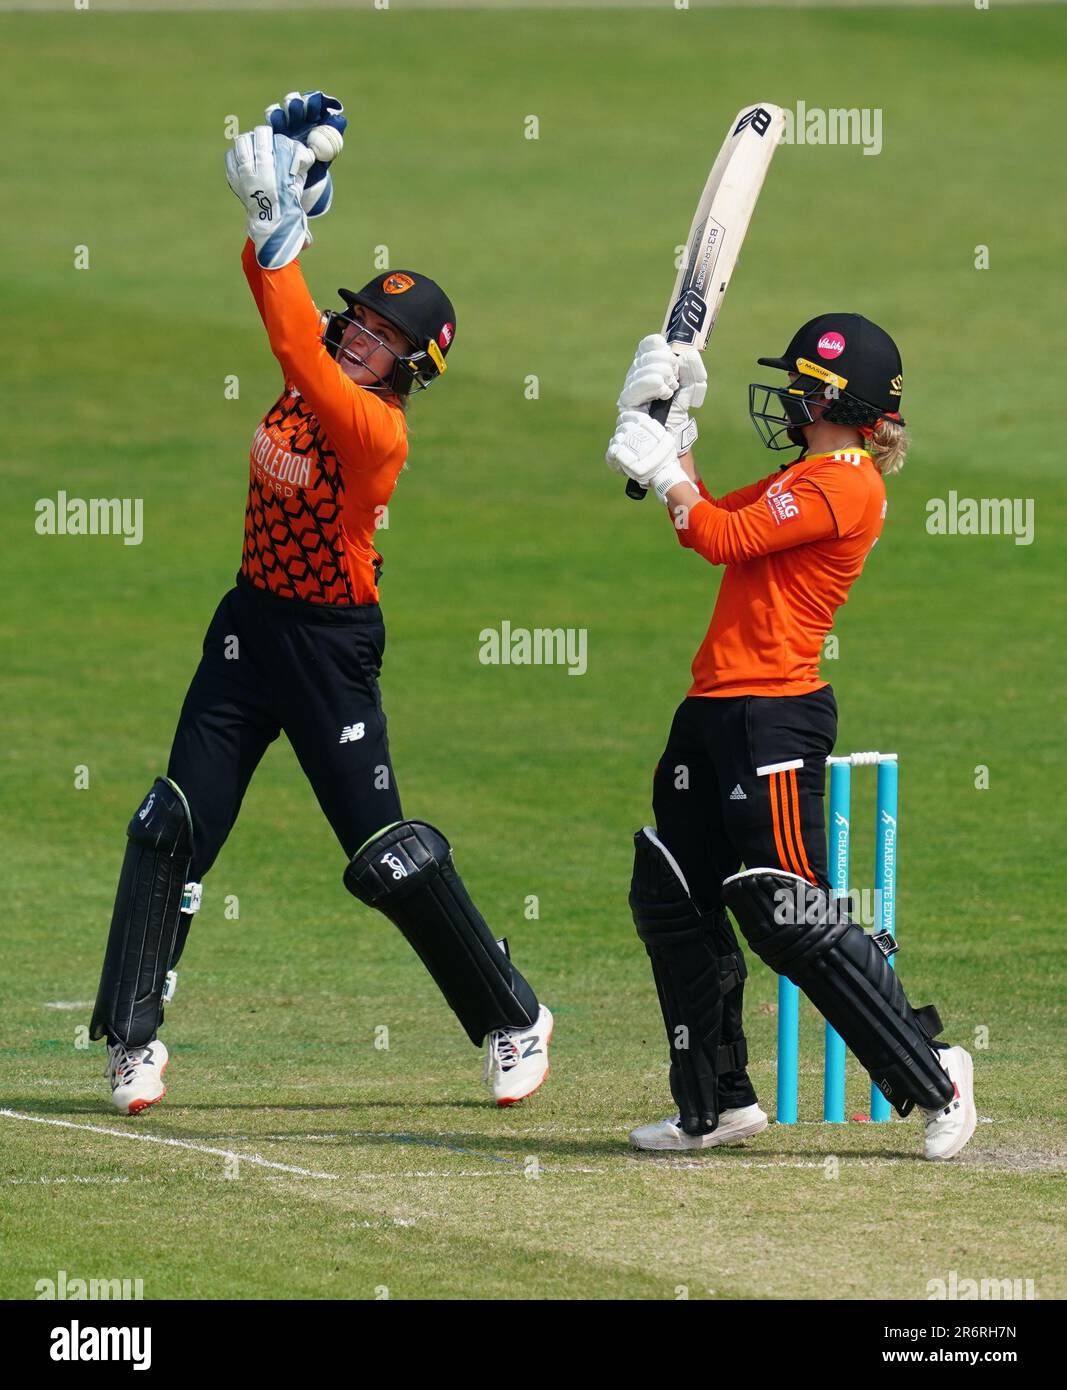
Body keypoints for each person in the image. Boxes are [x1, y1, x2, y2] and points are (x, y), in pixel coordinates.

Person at [90, 92, 551, 1115]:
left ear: (411, 367)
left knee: (388, 858)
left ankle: (512, 1016)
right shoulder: (316, 365)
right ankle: (132, 1038)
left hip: (329, 650)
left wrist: (282, 230)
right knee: (171, 826)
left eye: (385, 337)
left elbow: (298, 341)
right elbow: (282, 308)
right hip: (248, 627)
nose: (359, 337)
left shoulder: (373, 431)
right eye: (360, 318)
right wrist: (288, 204)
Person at [606, 314, 976, 1160]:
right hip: (713, 707)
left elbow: (716, 534)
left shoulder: (846, 484)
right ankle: (716, 1103)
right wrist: (674, 430)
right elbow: (703, 521)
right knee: (673, 897)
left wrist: (665, 469)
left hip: (775, 710)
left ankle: (936, 1074)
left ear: (838, 400)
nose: (789, 397)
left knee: (787, 914)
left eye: (804, 386)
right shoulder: (806, 475)